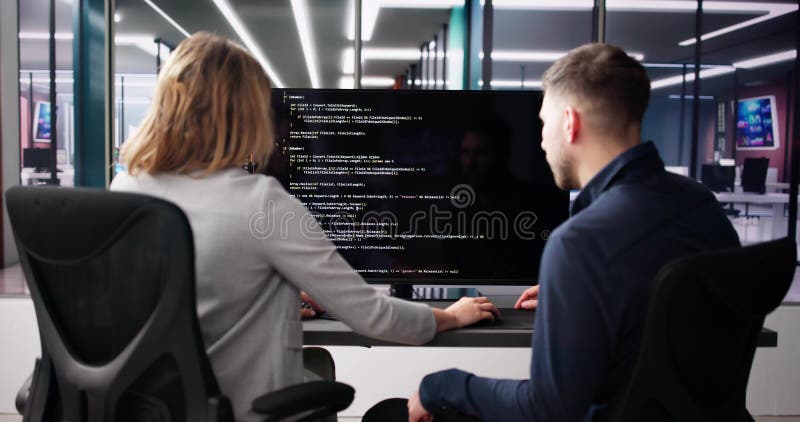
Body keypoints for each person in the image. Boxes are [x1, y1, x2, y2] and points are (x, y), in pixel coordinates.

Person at [109, 32, 498, 422]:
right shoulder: (261, 202)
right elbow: (371, 316)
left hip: (152, 408)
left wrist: (261, 297)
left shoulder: (126, 190)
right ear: (247, 115)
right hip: (242, 409)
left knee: (315, 369)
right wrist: (451, 315)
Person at [406, 43, 740, 421]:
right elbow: (673, 320)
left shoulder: (581, 242)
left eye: (544, 125)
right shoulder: (702, 206)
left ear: (569, 123)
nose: (543, 141)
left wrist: (441, 386)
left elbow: (548, 410)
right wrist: (583, 296)